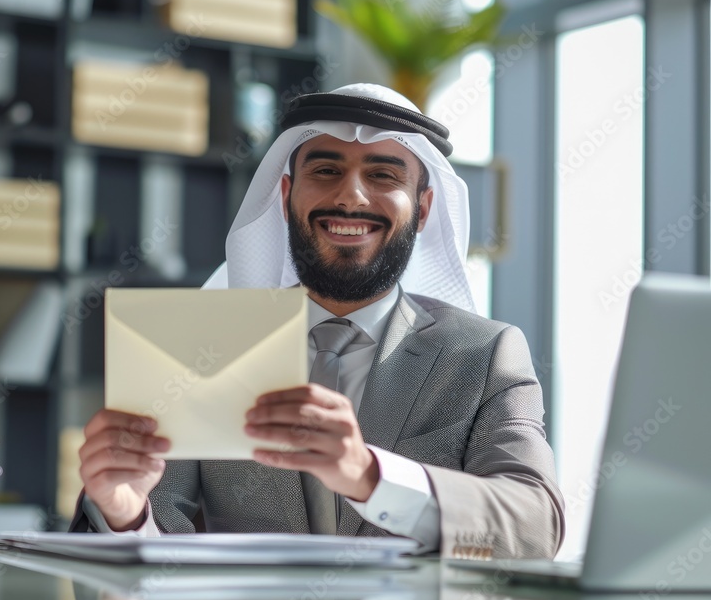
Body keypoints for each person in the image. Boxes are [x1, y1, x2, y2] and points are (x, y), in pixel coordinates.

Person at [70, 83, 565, 559]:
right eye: (326, 170)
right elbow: (151, 560)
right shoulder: (202, 347)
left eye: (384, 175)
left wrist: (367, 474)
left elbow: (535, 526)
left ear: (423, 207)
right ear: (286, 196)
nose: (351, 197)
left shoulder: (484, 355)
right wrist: (124, 514)